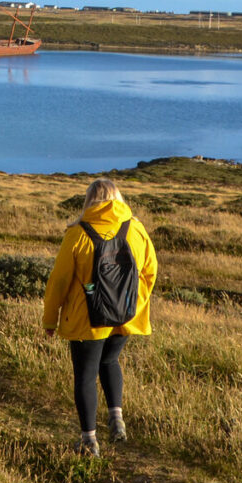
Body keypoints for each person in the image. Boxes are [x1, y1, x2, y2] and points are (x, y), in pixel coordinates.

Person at [41, 177, 158, 457]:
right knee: (110, 360)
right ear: (118, 198)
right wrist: (133, 305)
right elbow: (150, 272)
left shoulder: (78, 234)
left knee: (85, 375)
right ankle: (117, 420)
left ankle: (89, 440)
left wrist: (50, 320)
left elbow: (59, 282)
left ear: (89, 201)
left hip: (87, 321)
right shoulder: (137, 229)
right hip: (125, 318)